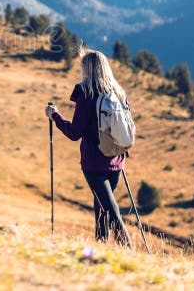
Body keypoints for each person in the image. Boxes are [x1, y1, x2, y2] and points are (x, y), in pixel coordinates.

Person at [46, 49, 133, 248]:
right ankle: (102, 249)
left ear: (87, 69)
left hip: (94, 163)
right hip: (117, 161)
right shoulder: (118, 92)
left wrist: (55, 116)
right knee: (103, 209)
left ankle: (129, 252)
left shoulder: (86, 93)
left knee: (111, 212)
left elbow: (74, 133)